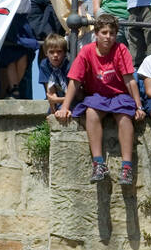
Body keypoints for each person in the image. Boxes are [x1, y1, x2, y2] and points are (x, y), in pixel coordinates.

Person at [55, 13, 145, 185]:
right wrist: (64, 107)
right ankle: (98, 164)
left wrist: (139, 107)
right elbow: (75, 80)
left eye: (111, 33)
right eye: (104, 32)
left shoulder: (121, 50)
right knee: (91, 113)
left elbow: (129, 80)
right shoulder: (87, 51)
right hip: (97, 96)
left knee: (125, 117)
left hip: (119, 95)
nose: (108, 37)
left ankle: (127, 167)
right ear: (96, 34)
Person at [38, 34, 70, 114]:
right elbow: (50, 92)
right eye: (51, 52)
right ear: (46, 53)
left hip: (72, 99)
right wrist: (53, 109)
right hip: (58, 98)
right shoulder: (44, 65)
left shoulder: (69, 65)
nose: (55, 55)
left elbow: (76, 95)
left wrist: (57, 100)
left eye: (59, 52)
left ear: (65, 53)